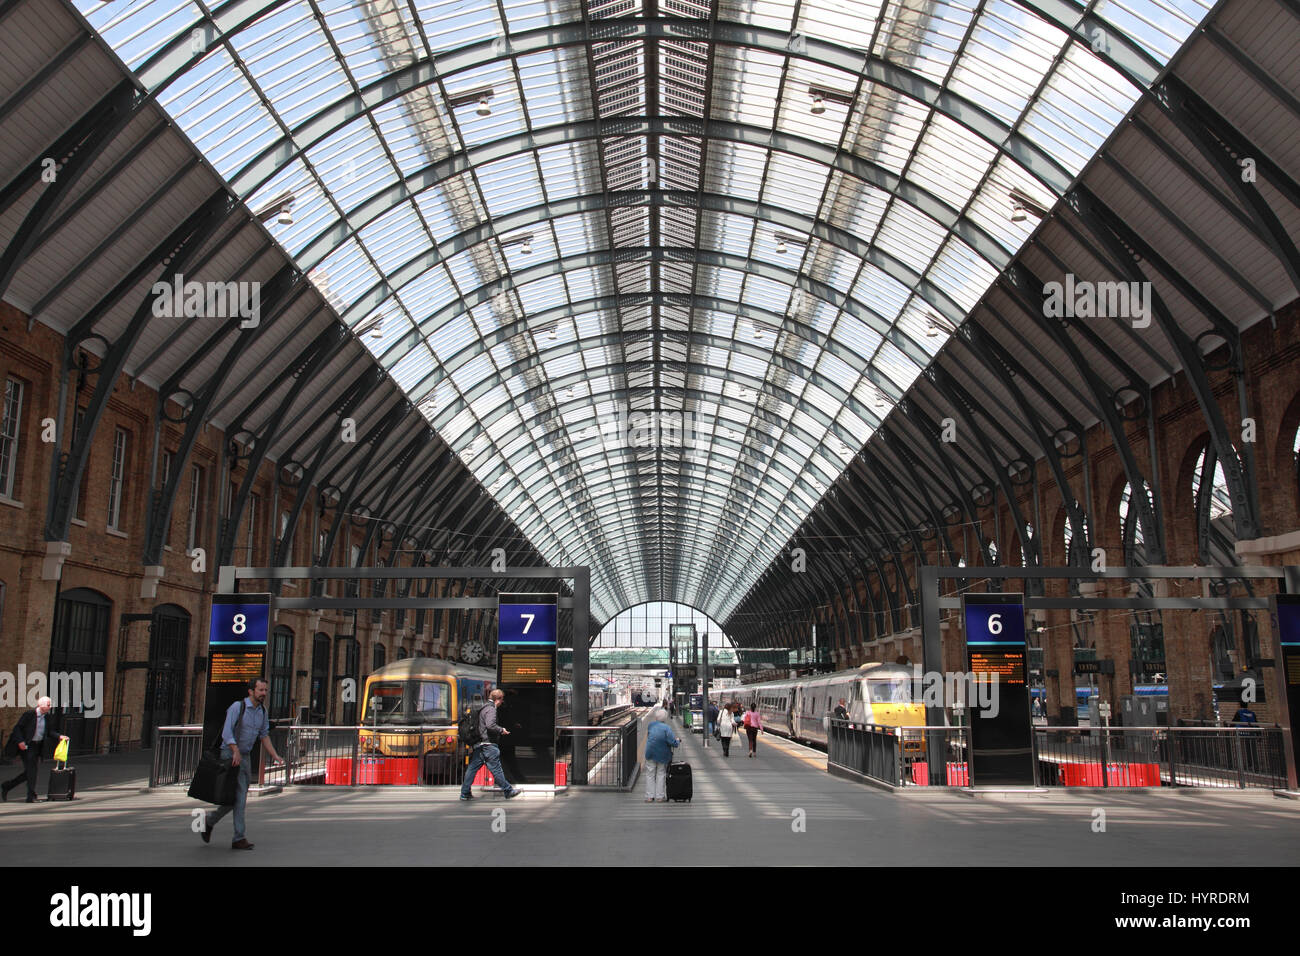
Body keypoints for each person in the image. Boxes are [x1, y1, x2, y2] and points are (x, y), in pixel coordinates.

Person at [200, 678, 282, 849]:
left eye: (265, 690)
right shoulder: (238, 707)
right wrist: (235, 750)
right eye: (261, 690)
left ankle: (209, 821)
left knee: (236, 798)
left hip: (244, 756)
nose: (264, 693)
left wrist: (274, 755)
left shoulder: (262, 711)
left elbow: (264, 734)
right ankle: (238, 837)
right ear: (251, 691)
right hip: (230, 755)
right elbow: (227, 732)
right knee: (237, 797)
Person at [460, 689, 521, 800]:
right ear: (498, 699)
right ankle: (508, 790)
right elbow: (490, 725)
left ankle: (465, 793)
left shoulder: (484, 707)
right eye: (502, 700)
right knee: (496, 769)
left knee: (472, 769)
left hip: (480, 744)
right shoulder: (491, 709)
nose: (502, 702)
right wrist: (501, 730)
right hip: (489, 744)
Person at [3, 696, 57, 803]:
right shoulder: (29, 715)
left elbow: (50, 732)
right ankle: (31, 796)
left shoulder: (47, 717)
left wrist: (60, 736)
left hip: (38, 746)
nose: (50, 707)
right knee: (32, 771)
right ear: (40, 705)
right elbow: (17, 728)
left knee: (30, 771)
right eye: (48, 705)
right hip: (28, 746)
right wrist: (20, 741)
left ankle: (8, 785)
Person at [643, 708, 681, 802]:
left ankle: (649, 796)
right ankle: (660, 797)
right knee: (661, 773)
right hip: (662, 754)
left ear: (656, 717)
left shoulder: (651, 725)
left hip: (650, 752)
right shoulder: (666, 728)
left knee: (650, 774)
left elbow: (650, 736)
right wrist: (677, 740)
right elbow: (673, 743)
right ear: (665, 718)